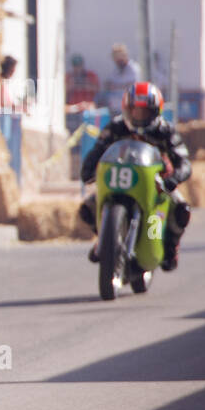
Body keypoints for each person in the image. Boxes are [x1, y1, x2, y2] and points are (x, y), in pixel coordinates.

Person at [79, 82, 192, 271]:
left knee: (182, 209)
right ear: (126, 109)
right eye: (134, 110)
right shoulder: (116, 127)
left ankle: (171, 247)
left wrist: (173, 178)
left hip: (156, 184)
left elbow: (184, 161)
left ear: (156, 111)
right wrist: (88, 170)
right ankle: (105, 238)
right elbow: (98, 149)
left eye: (145, 111)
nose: (138, 116)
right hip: (121, 180)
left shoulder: (165, 130)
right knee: (87, 209)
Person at [100, 43, 142, 110]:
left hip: (131, 105)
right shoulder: (116, 70)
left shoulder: (134, 68)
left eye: (120, 57)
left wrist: (116, 86)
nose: (118, 60)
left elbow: (133, 85)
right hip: (115, 106)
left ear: (125, 55)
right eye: (115, 58)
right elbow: (107, 83)